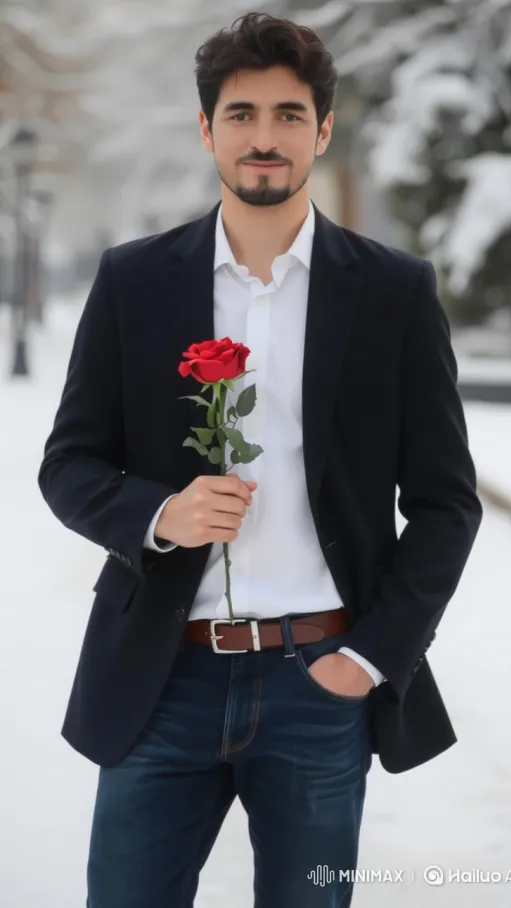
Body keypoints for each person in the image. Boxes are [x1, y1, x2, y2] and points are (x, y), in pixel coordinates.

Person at [37, 11, 483, 908]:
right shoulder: (135, 280)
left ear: (321, 129)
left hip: (318, 684)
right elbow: (70, 463)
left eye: (288, 115)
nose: (265, 138)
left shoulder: (396, 292)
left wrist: (372, 656)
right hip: (160, 680)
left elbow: (446, 504)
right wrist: (159, 515)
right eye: (241, 115)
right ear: (207, 130)